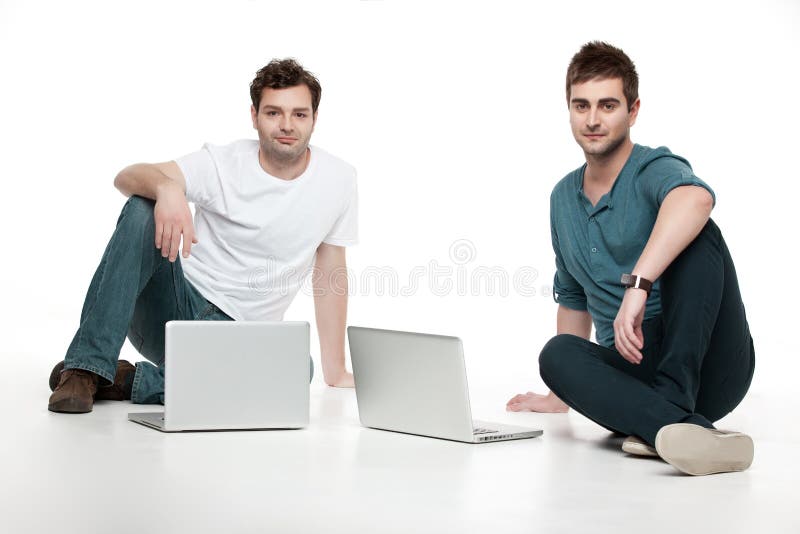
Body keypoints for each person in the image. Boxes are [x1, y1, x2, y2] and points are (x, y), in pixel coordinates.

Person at [48, 58, 358, 413]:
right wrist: (166, 188)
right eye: (274, 113)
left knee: (297, 367)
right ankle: (84, 368)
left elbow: (330, 272)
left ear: (314, 118)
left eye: (299, 114)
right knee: (143, 207)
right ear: (254, 115)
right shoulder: (222, 163)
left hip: (243, 338)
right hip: (174, 310)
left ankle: (126, 380)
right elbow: (126, 177)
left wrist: (336, 370)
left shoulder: (339, 180)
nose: (287, 125)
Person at [506, 42, 755, 476]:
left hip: (706, 361)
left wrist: (638, 286)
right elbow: (573, 298)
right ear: (569, 110)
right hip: (636, 369)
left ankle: (671, 408)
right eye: (581, 105)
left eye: (607, 105)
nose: (593, 119)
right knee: (556, 354)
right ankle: (681, 431)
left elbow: (696, 200)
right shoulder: (562, 198)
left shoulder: (652, 168)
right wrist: (560, 393)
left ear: (632, 110)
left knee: (700, 233)